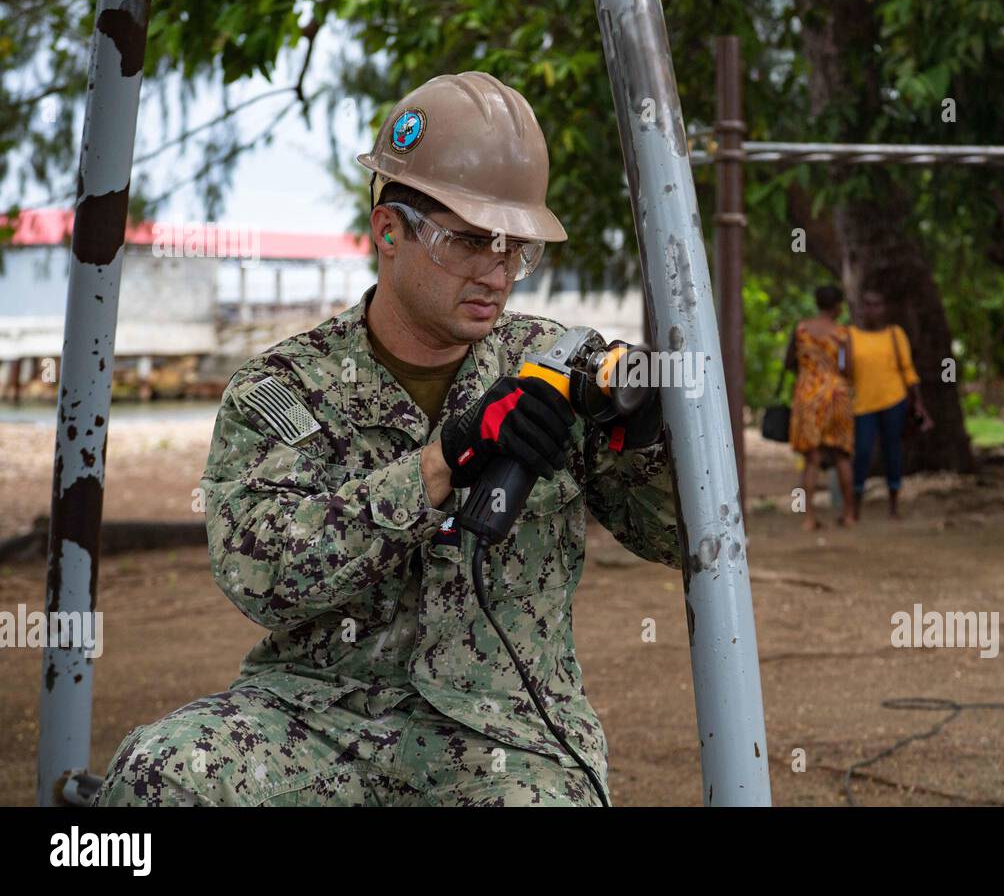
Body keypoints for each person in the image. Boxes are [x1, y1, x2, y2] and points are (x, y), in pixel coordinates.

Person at [94, 72, 680, 807]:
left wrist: (647, 438)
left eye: (515, 248)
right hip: (312, 715)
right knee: (161, 779)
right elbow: (261, 577)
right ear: (389, 232)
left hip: (504, 736)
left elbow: (681, 540)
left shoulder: (556, 368)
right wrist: (438, 464)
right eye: (469, 241)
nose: (496, 271)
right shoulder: (283, 389)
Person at [848, 289, 933, 519]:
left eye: (876, 305)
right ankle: (855, 506)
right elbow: (843, 369)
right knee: (862, 452)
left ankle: (894, 506)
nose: (872, 310)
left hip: (893, 401)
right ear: (861, 308)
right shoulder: (850, 336)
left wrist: (919, 404)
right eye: (867, 305)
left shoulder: (895, 335)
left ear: (884, 308)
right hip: (863, 405)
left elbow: (908, 371)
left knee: (892, 451)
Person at [787, 284, 855, 530]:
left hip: (807, 394)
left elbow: (789, 362)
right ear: (837, 306)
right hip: (836, 394)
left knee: (812, 459)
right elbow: (847, 367)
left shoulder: (801, 329)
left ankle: (808, 518)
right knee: (841, 456)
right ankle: (848, 515)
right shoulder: (842, 333)